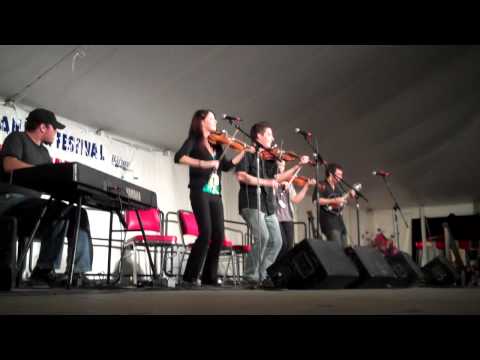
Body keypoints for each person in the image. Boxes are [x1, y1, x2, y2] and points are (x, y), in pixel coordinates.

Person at [0, 108, 93, 287]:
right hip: (10, 200)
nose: (56, 133)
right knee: (57, 211)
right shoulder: (17, 138)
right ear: (43, 127)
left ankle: (78, 272)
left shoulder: (45, 154)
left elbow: (53, 181)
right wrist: (39, 173)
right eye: (54, 128)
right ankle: (42, 271)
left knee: (77, 213)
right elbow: (9, 164)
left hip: (33, 206)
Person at [174, 109, 251, 288]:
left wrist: (243, 152)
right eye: (212, 118)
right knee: (205, 232)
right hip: (199, 191)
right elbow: (179, 157)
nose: (215, 121)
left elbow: (224, 166)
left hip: (215, 193)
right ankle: (189, 277)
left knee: (219, 235)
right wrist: (204, 163)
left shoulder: (216, 144)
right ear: (202, 121)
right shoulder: (194, 140)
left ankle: (209, 276)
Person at [235, 122, 310, 288]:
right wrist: (266, 182)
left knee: (277, 241)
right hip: (251, 202)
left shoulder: (269, 159)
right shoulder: (247, 153)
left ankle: (264, 275)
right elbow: (241, 176)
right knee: (262, 237)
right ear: (259, 136)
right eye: (269, 134)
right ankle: (250, 275)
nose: (273, 138)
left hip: (268, 205)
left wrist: (298, 165)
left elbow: (278, 179)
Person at [274, 160, 315, 260]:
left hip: (288, 217)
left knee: (289, 247)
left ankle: (285, 271)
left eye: (283, 166)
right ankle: (276, 269)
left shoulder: (289, 182)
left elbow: (296, 199)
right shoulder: (272, 179)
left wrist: (306, 186)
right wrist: (279, 183)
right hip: (275, 217)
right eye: (279, 165)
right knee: (281, 245)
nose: (281, 168)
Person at [312, 163, 356, 248]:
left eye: (341, 175)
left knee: (345, 249)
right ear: (331, 174)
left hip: (339, 221)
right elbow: (316, 200)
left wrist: (348, 197)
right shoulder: (321, 184)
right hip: (329, 222)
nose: (341, 177)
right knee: (337, 249)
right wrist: (334, 200)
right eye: (339, 174)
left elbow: (339, 204)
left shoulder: (338, 188)